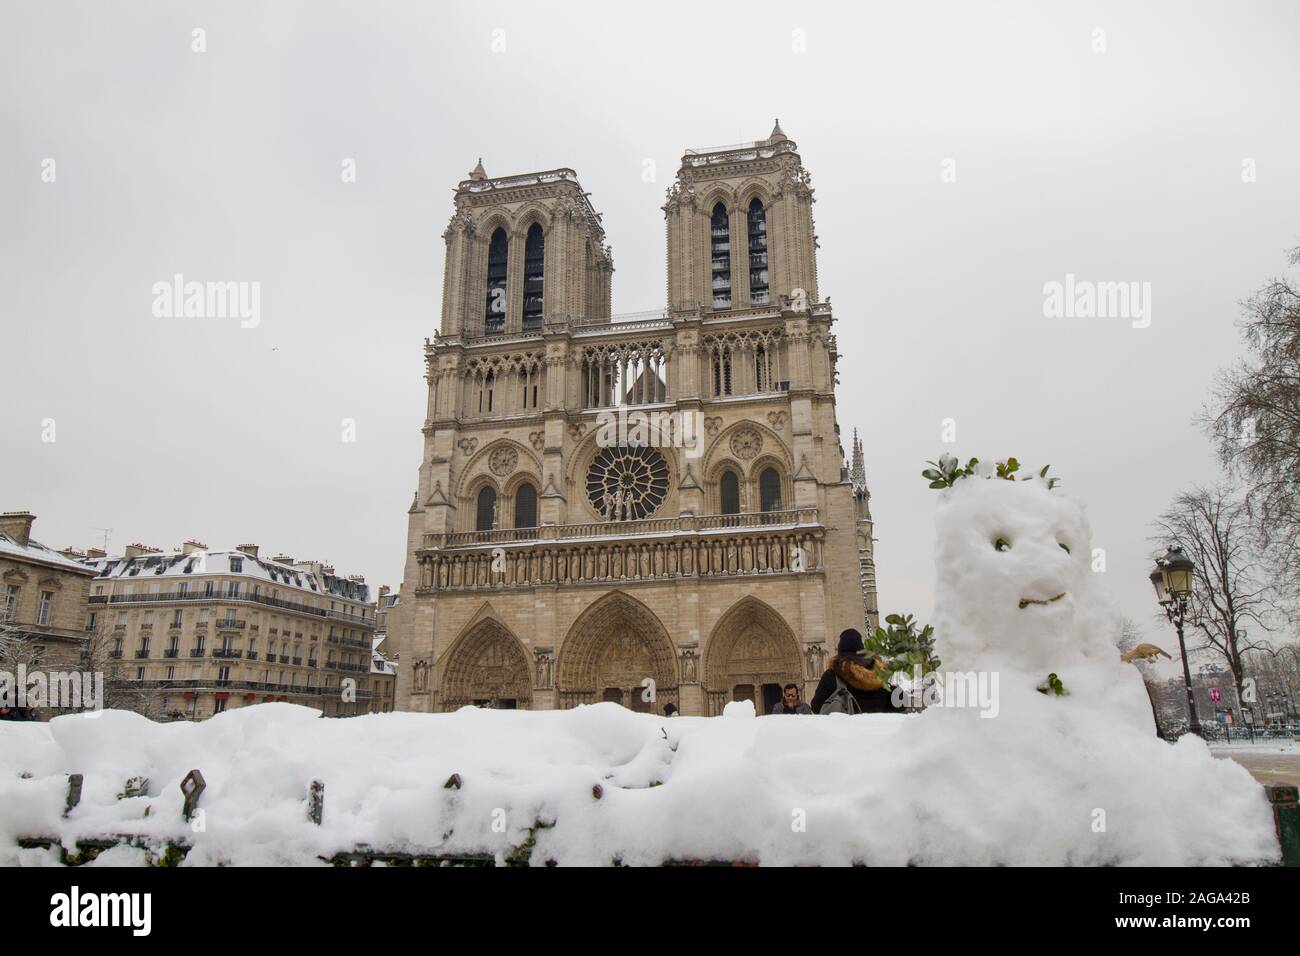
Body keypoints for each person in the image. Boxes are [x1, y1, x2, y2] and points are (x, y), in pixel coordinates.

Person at [810, 628, 896, 714]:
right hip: (876, 725)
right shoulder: (878, 674)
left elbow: (816, 707)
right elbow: (896, 704)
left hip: (846, 726)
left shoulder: (832, 676)